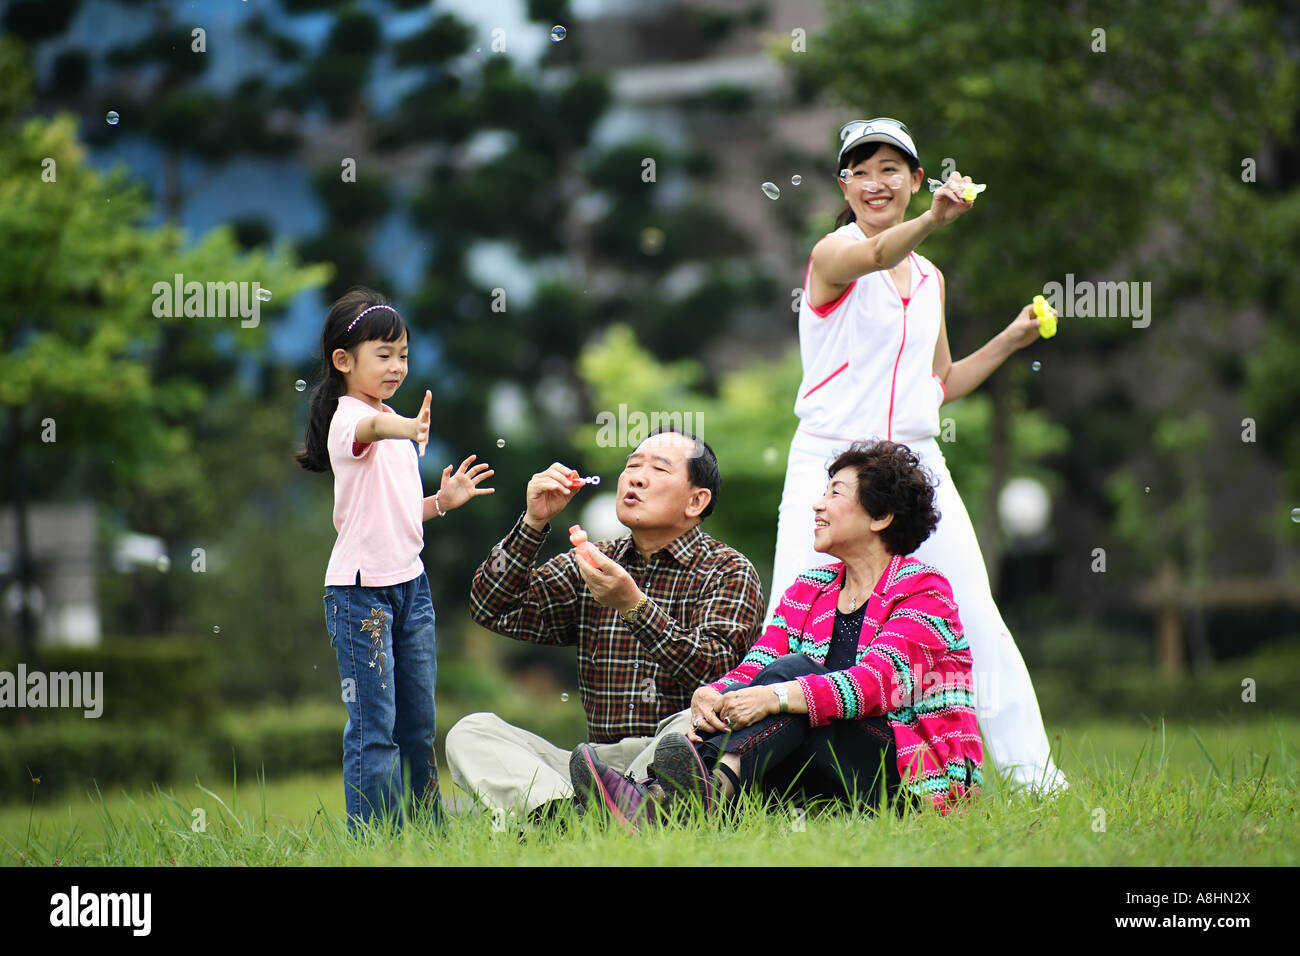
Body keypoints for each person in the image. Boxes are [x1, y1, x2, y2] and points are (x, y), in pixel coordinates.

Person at [765, 117, 1066, 793]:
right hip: (831, 459)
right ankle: (774, 777)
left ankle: (1036, 780)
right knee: (796, 617)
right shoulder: (833, 254)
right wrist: (933, 219)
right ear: (844, 182)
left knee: (972, 612)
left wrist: (1012, 340)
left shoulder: (928, 277)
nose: (876, 182)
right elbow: (873, 255)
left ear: (915, 178)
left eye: (891, 169)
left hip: (915, 466)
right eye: (861, 170)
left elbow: (943, 382)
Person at [641, 440, 982, 817]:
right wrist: (714, 694)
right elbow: (758, 665)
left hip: (910, 778)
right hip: (822, 768)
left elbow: (878, 683)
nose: (818, 504)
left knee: (793, 675)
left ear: (881, 515)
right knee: (769, 683)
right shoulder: (810, 588)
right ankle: (671, 794)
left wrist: (775, 696)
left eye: (835, 492)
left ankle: (693, 788)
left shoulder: (924, 590)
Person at [446, 428, 764, 827]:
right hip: (596, 763)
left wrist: (633, 606)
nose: (635, 477)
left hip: (676, 758)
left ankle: (625, 809)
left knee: (691, 724)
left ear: (696, 500)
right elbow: (493, 607)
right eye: (632, 466)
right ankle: (568, 817)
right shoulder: (593, 561)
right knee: (471, 732)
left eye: (658, 469)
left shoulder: (728, 569)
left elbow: (716, 672)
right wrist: (533, 522)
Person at [295, 287, 495, 832]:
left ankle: (427, 833)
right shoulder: (348, 420)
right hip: (361, 594)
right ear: (344, 360)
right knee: (373, 726)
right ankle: (375, 840)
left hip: (412, 589)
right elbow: (369, 429)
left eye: (402, 355)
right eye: (382, 355)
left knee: (417, 725)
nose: (396, 366)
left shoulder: (395, 425)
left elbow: (398, 513)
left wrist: (441, 503)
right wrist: (404, 428)